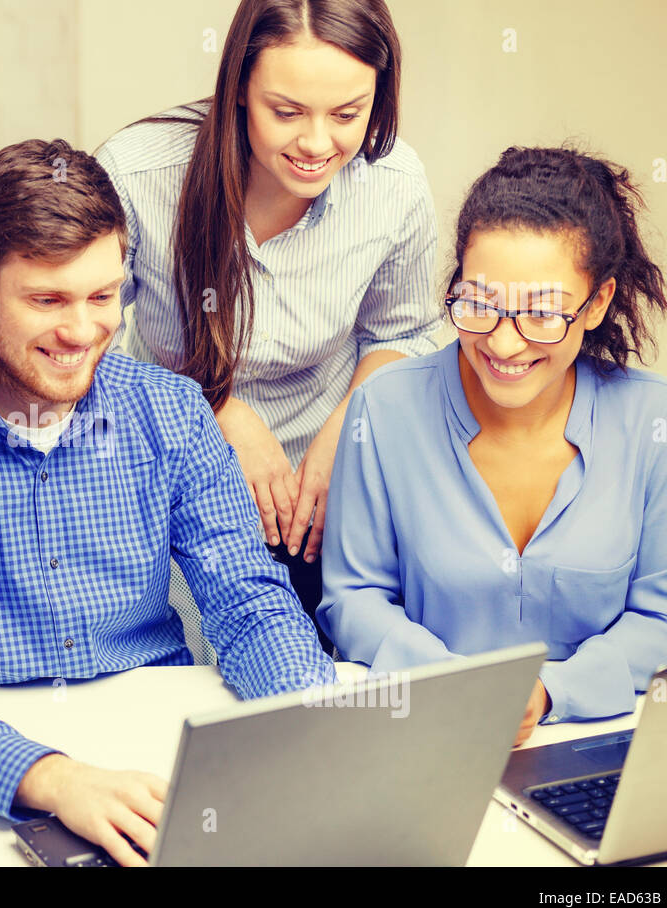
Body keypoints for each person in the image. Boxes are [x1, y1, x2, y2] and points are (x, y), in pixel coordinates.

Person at [0, 139, 336, 868]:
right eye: (47, 300)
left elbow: (249, 603)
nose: (82, 331)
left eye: (102, 295)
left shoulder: (173, 413)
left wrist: (308, 726)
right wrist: (55, 780)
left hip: (158, 765)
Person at [318, 147, 667, 746]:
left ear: (596, 303)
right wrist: (458, 689)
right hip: (424, 731)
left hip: (594, 739)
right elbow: (353, 599)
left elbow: (664, 621)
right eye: (478, 304)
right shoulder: (385, 408)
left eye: (543, 313)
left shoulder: (656, 417)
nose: (503, 342)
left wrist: (552, 693)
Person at [94, 0, 440, 640]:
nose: (316, 144)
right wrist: (214, 411)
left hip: (329, 489)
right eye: (285, 112)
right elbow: (82, 344)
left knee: (346, 680)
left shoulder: (394, 183)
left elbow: (403, 330)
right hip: (170, 478)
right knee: (187, 672)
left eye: (347, 114)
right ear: (238, 92)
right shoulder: (138, 173)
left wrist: (350, 431)